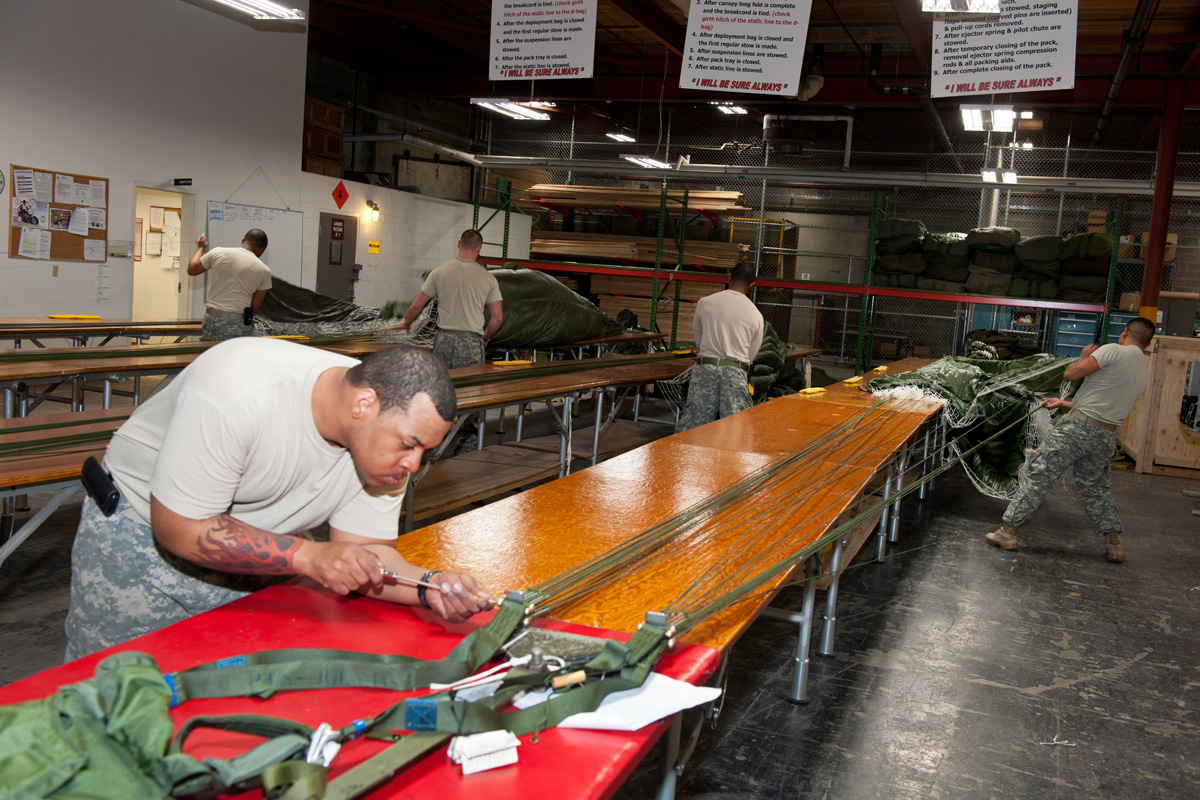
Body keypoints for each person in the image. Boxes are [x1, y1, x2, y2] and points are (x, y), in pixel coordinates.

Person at [64, 339, 493, 660]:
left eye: (424, 452)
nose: (413, 464)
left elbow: (366, 554)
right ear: (364, 404)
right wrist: (308, 557)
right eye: (409, 445)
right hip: (141, 539)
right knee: (104, 695)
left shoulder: (384, 442)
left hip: (268, 551)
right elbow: (179, 527)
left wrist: (428, 587)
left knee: (226, 701)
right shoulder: (240, 390)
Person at [986, 317, 1155, 563]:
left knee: (1039, 475)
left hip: (1076, 430)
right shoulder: (1143, 371)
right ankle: (1115, 543)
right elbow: (1103, 399)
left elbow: (1070, 375)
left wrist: (1085, 356)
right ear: (1148, 343)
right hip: (1105, 436)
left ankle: (1008, 532)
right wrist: (1064, 403)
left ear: (1125, 332)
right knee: (1097, 489)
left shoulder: (1113, 350)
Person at [394, 229, 503, 369]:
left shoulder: (439, 272)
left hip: (443, 340)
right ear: (479, 248)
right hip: (471, 343)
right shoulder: (489, 279)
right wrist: (486, 338)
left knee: (443, 385)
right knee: (470, 388)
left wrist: (407, 322)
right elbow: (497, 318)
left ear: (459, 244)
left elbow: (417, 305)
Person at [678, 260, 765, 431]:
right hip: (735, 373)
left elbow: (699, 336)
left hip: (706, 369)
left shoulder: (705, 302)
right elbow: (751, 354)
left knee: (693, 428)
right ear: (752, 285)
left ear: (729, 277)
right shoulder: (755, 314)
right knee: (735, 430)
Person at [187, 229, 273, 340]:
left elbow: (192, 269)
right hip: (237, 322)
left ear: (243, 240)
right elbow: (254, 307)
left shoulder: (218, 252)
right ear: (261, 250)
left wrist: (201, 248)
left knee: (212, 354)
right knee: (239, 354)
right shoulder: (264, 270)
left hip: (211, 319)